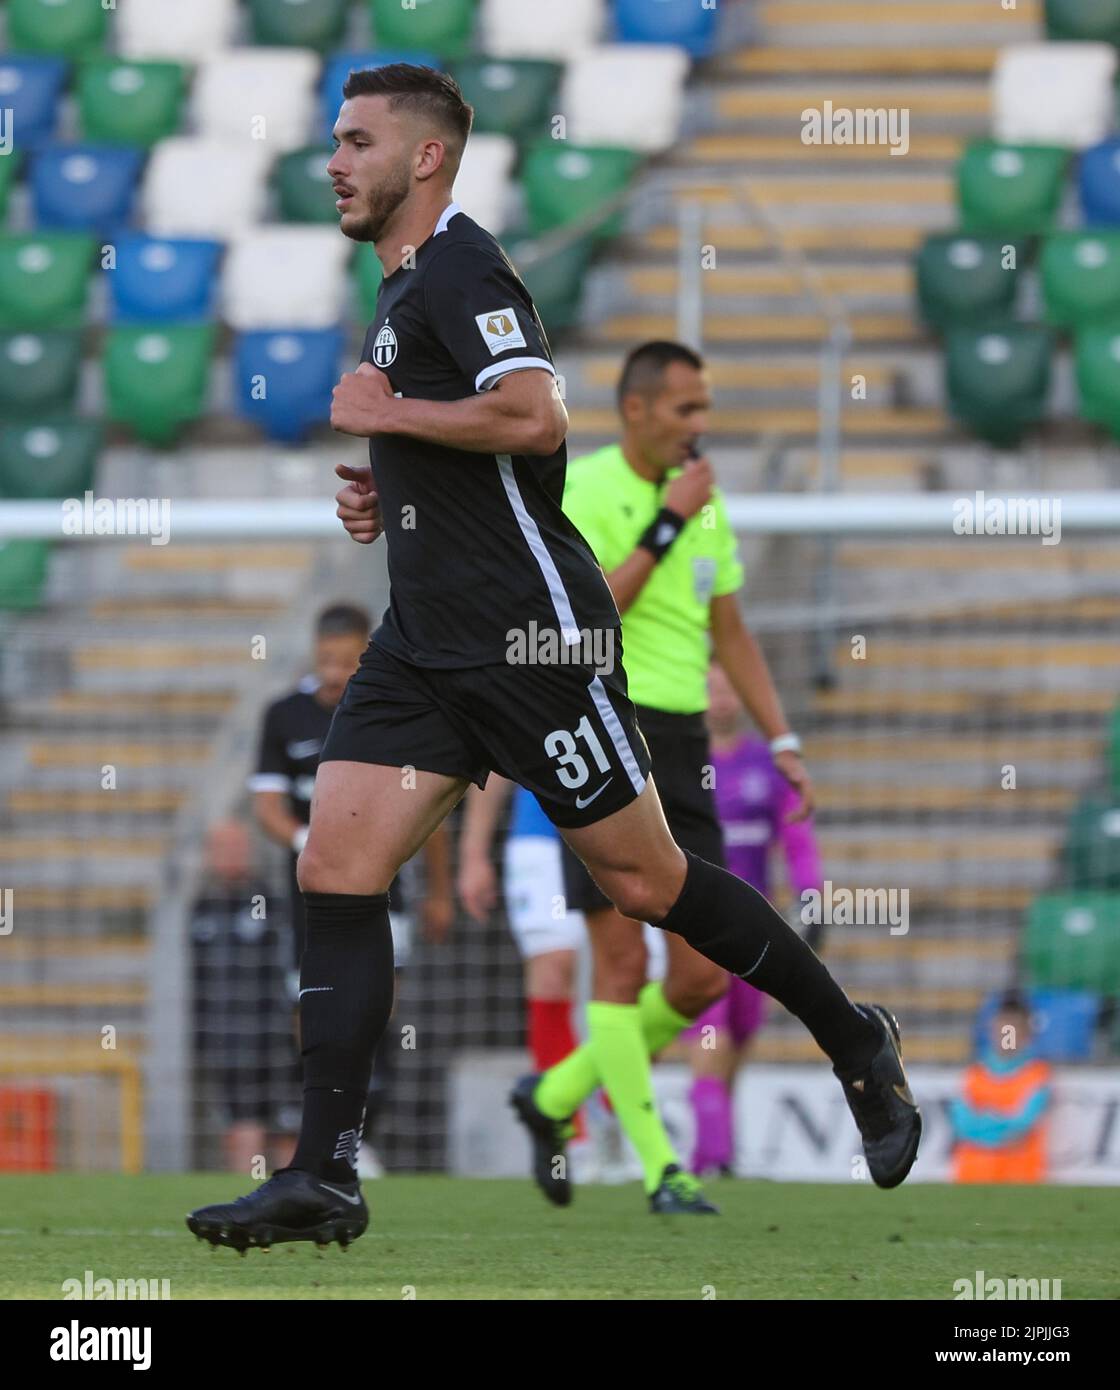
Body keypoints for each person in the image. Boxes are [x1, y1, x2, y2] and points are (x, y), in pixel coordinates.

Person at [187, 63, 919, 1253]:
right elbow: (480, 451)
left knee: (649, 883)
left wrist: (390, 420)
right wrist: (396, 491)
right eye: (334, 138)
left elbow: (534, 416)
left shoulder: (465, 263)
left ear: (425, 159)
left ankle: (857, 1044)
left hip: (532, 645)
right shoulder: (401, 287)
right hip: (424, 646)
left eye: (357, 140)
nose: (334, 160)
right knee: (333, 867)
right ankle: (324, 1171)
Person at [248, 602, 455, 1175]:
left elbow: (429, 808)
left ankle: (363, 1135)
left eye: (347, 660)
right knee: (310, 1012)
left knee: (372, 1006)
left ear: (367, 655)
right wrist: (313, 844)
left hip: (387, 890)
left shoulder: (390, 713)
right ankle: (323, 1129)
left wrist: (440, 892)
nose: (335, 672)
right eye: (326, 660)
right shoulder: (284, 716)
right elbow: (266, 807)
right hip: (309, 896)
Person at [686, 663, 824, 1176]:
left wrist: (811, 899)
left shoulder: (766, 766)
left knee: (739, 1036)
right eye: (711, 688)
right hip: (693, 926)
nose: (721, 698)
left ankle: (711, 1154)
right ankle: (715, 1156)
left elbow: (798, 840)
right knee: (710, 1035)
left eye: (729, 687)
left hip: (753, 926)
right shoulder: (681, 765)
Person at [189, 819, 290, 1174]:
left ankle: (292, 1197)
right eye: (221, 848)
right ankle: (249, 1195)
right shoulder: (200, 908)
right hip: (222, 1040)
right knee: (238, 1124)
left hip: (272, 1039)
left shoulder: (270, 903)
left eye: (236, 847)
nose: (229, 855)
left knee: (286, 1125)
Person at [951, 991, 1051, 1184]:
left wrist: (984, 1124)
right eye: (1003, 1025)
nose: (1007, 1032)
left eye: (1013, 1026)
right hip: (971, 1177)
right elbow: (962, 1124)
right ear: (992, 1028)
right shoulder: (974, 1074)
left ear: (1026, 1032)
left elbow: (1023, 1124)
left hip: (1019, 1179)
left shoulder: (1037, 1076)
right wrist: (1001, 1127)